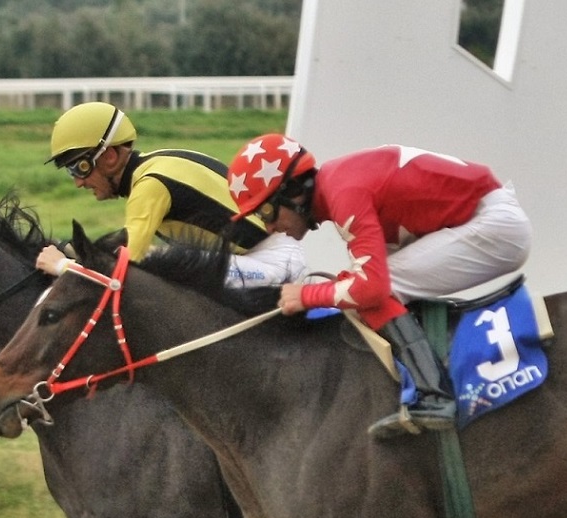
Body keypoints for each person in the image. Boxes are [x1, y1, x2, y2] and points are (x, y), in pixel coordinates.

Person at [226, 133, 532, 439]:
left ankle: (435, 396)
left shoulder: (344, 191)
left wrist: (307, 295)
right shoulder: (339, 184)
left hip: (495, 226)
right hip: (483, 217)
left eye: (266, 212)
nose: (268, 228)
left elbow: (372, 288)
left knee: (373, 290)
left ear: (293, 192)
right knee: (360, 289)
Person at [45, 102, 305, 287]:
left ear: (110, 156)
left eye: (79, 168)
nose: (79, 182)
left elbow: (121, 274)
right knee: (159, 259)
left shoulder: (149, 185)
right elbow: (127, 242)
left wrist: (63, 267)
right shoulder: (157, 163)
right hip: (266, 256)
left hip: (271, 264)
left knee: (158, 273)